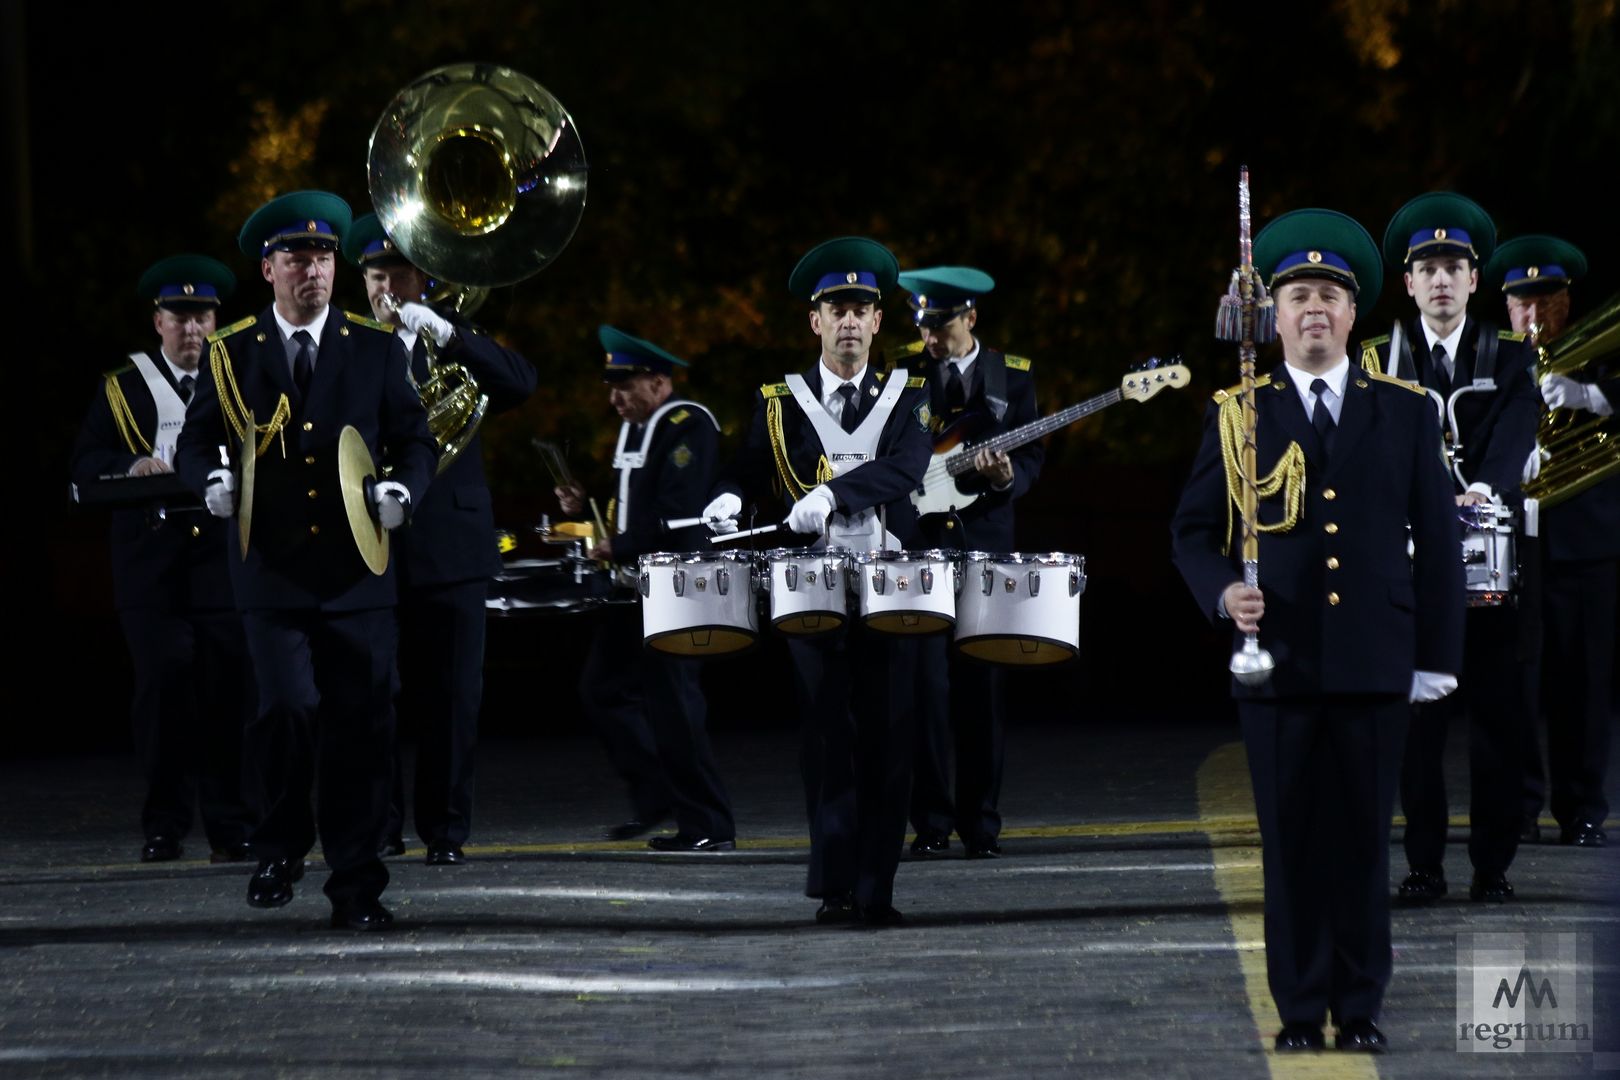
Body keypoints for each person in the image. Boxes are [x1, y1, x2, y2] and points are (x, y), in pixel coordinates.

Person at [1172, 208, 1464, 1052]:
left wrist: (1436, 660)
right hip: (1280, 665)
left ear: (1353, 313)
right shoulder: (1239, 412)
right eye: (1297, 295)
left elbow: (1439, 546)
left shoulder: (1404, 411)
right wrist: (1225, 591)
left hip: (1376, 662)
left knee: (1366, 845)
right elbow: (1191, 531)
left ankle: (1361, 1003)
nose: (1312, 310)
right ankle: (1301, 1010)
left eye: (1329, 296)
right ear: (1275, 315)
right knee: (1291, 845)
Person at [175, 191, 436, 931]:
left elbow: (415, 441)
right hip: (272, 568)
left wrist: (404, 491)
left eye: (323, 257)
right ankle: (281, 843)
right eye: (297, 257)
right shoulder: (230, 352)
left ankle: (356, 883)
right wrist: (210, 481)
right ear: (269, 268)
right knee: (286, 709)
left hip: (358, 567)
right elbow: (197, 444)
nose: (313, 270)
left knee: (362, 723)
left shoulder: (377, 347)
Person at [703, 237, 931, 926]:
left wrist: (832, 496)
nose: (851, 321)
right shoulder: (779, 400)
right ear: (816, 321)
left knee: (891, 738)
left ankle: (877, 889)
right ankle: (835, 884)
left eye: (863, 308)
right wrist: (727, 497)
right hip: (813, 588)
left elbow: (908, 467)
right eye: (838, 308)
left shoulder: (910, 394)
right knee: (827, 736)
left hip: (893, 588)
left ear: (880, 322)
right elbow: (746, 469)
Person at [342, 212, 538, 866]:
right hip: (371, 542)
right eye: (375, 275)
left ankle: (446, 831)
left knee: (453, 696)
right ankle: (380, 825)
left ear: (422, 278)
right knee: (374, 692)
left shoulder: (453, 339)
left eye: (398, 273)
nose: (387, 287)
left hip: (451, 544)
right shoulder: (345, 347)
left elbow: (520, 382)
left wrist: (448, 333)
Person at [1361, 192, 1540, 903]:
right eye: (1427, 268)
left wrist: (1487, 488)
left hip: (1490, 562)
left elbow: (1517, 428)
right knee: (1416, 727)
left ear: (1474, 280)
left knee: (1499, 722)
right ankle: (1425, 864)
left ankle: (1493, 865)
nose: (1440, 280)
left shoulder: (1510, 355)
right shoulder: (1379, 357)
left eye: (1454, 267)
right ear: (1408, 283)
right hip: (1412, 573)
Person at [70, 255, 256, 864]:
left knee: (231, 692)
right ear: (158, 322)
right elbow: (84, 463)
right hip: (152, 566)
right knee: (164, 691)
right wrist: (131, 465)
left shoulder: (239, 376)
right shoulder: (122, 387)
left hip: (222, 560)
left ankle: (231, 825)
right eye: (180, 317)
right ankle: (165, 824)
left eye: (202, 315)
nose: (193, 329)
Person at [556, 325, 736, 852]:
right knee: (602, 690)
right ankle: (659, 794)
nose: (613, 397)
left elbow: (678, 512)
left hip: (678, 588)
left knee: (676, 704)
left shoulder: (687, 424)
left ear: (658, 382)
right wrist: (583, 502)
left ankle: (708, 824)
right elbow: (632, 498)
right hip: (634, 588)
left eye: (623, 385)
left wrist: (618, 545)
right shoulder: (638, 427)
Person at [891, 266, 1042, 859]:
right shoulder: (903, 377)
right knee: (923, 689)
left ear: (971, 318)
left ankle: (981, 825)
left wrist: (1009, 478)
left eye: (942, 324)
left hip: (985, 544)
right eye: (923, 324)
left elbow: (1032, 456)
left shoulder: (1015, 377)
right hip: (920, 545)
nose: (931, 336)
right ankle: (929, 822)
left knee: (983, 688)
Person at [1485, 235, 1613, 848]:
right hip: (1515, 546)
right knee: (1516, 683)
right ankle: (1521, 806)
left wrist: (1595, 396)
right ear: (1507, 309)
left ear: (1567, 302)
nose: (1535, 316)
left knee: (1584, 682)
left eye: (1547, 301)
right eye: (1522, 304)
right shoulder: (1491, 364)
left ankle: (1583, 807)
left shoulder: (1602, 358)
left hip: (1587, 541)